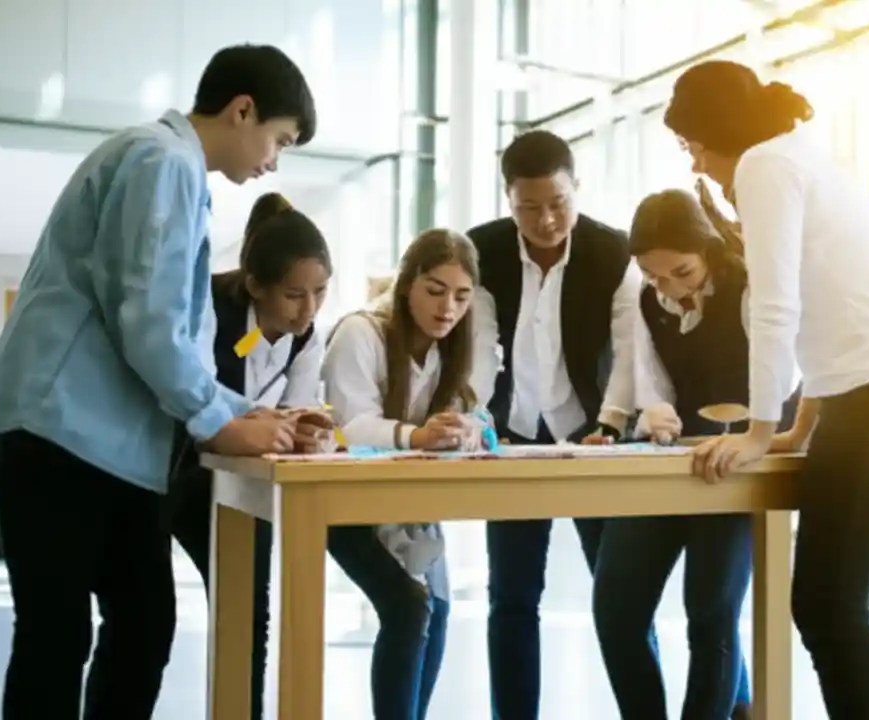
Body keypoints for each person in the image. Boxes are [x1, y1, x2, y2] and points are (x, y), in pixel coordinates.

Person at [0, 44, 318, 720]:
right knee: (60, 634)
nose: (274, 160)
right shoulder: (161, 161)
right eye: (279, 139)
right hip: (57, 431)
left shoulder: (173, 169)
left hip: (95, 440)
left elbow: (175, 339)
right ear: (242, 111)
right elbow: (149, 322)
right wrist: (220, 419)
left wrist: (252, 414)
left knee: (142, 621)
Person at [668, 60, 869, 719]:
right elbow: (832, 317)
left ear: (713, 133)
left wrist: (760, 432)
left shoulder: (767, 166)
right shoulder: (793, 156)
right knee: (827, 603)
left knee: (832, 604)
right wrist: (801, 426)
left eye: (691, 147)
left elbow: (778, 304)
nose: (695, 167)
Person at [592, 190, 799, 720]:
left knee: (710, 614)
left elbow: (785, 378)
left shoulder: (755, 285)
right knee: (616, 608)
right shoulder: (647, 298)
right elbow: (650, 377)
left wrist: (750, 434)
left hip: (740, 458)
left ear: (708, 250)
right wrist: (653, 410)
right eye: (654, 276)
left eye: (681, 273)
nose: (670, 288)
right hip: (673, 455)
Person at [467, 129, 643, 719]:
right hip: (514, 433)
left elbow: (629, 352)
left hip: (592, 434)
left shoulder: (614, 252)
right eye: (528, 207)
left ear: (577, 189)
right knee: (512, 597)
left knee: (620, 599)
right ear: (507, 199)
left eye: (558, 203)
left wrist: (612, 426)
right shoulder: (482, 251)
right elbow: (479, 348)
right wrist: (472, 417)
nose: (545, 220)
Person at [170, 192, 332, 720]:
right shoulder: (212, 312)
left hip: (245, 481)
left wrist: (304, 431)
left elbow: (297, 411)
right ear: (256, 286)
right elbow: (198, 400)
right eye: (293, 296)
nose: (308, 310)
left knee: (249, 610)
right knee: (147, 616)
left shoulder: (305, 337)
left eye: (320, 293)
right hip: (174, 469)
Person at [321, 229, 484, 720]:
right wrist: (417, 436)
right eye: (435, 291)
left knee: (436, 608)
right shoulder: (360, 332)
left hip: (405, 501)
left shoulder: (449, 349)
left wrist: (468, 431)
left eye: (461, 295)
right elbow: (348, 427)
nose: (447, 308)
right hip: (338, 499)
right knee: (410, 607)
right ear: (407, 282)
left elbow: (476, 417)